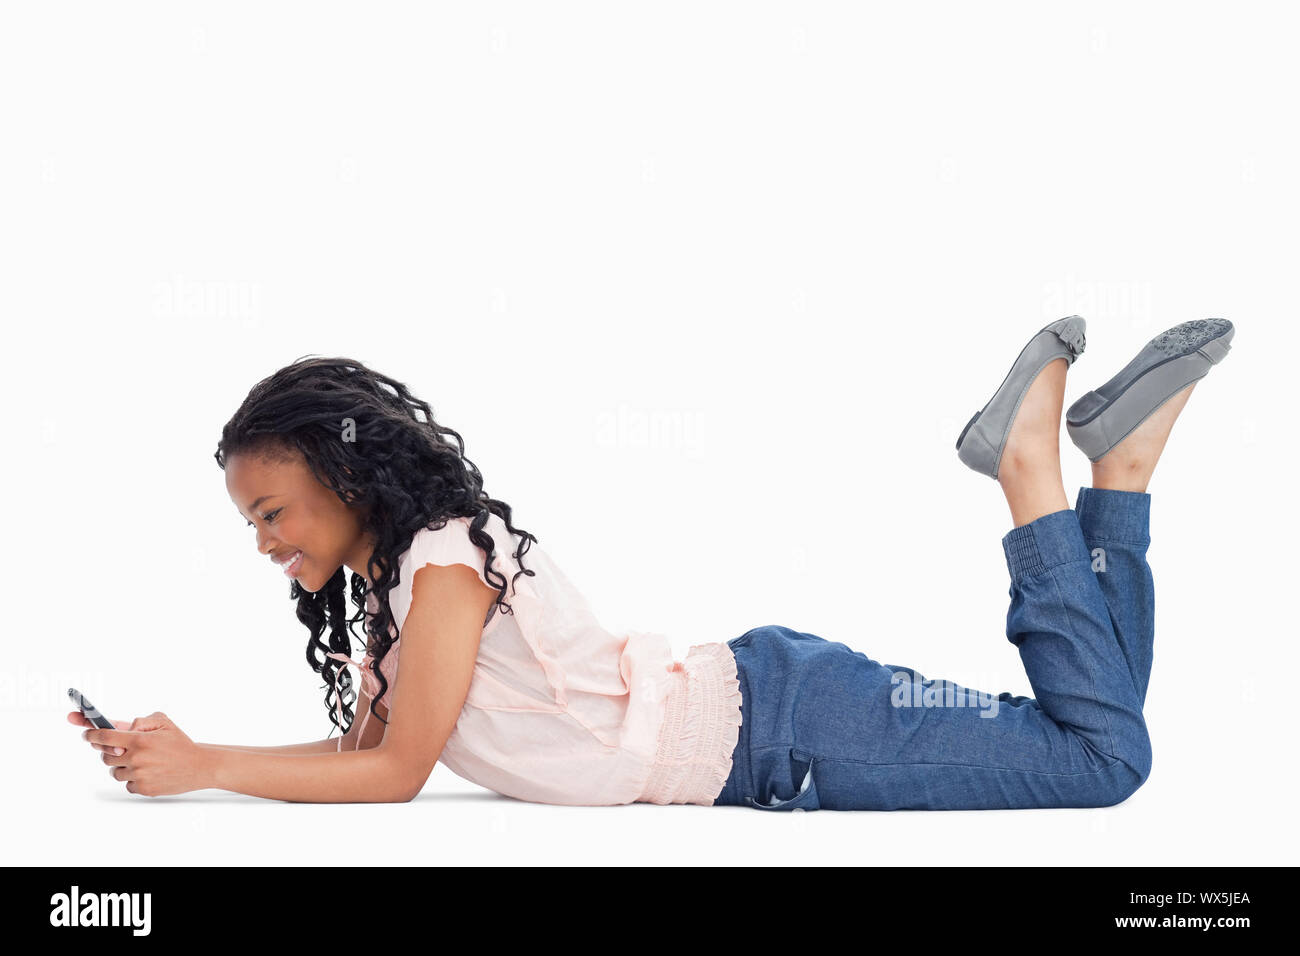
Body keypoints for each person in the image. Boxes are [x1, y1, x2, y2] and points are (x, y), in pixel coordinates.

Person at [71, 318, 1234, 809]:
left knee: (1100, 757)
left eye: (272, 510)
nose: (266, 542)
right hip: (776, 714)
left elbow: (398, 772)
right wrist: (184, 752)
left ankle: (1032, 471)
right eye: (251, 525)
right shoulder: (397, 590)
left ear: (338, 477)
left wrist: (209, 764)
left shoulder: (442, 566)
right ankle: (1118, 477)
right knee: (1099, 736)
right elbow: (372, 745)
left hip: (788, 725)